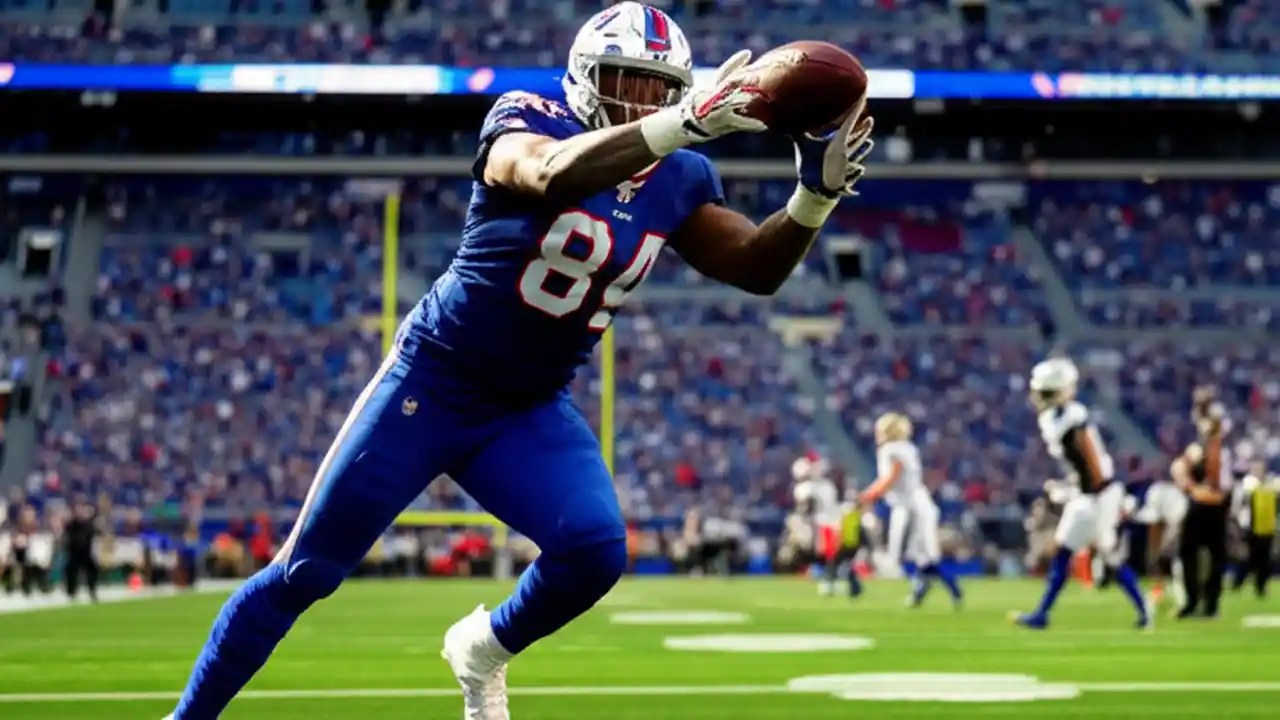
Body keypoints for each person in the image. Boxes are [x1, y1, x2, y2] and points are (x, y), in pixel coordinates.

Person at [164, 4, 876, 719]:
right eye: (626, 81)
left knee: (595, 551)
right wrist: (678, 121)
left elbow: (755, 268)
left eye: (658, 87)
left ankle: (480, 649)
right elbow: (548, 176)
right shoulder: (529, 115)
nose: (641, 101)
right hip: (434, 380)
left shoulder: (680, 174)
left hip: (529, 405)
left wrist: (813, 198)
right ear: (585, 77)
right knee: (305, 571)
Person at [1013, 358, 1150, 630]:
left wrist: (1087, 490)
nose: (1041, 397)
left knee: (1095, 555)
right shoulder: (1058, 417)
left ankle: (1143, 611)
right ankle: (1143, 611)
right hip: (1091, 495)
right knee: (1088, 555)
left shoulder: (1072, 419)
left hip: (1096, 497)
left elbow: (1092, 463)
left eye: (1047, 393)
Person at [861, 412, 962, 608]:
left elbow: (892, 476)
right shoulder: (907, 447)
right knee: (921, 554)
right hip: (918, 503)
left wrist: (870, 494)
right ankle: (927, 588)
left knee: (913, 553)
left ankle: (946, 586)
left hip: (910, 507)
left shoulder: (890, 450)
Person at [1173, 387, 1232, 619]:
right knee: (1193, 551)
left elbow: (1213, 465)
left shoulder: (1214, 422)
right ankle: (1197, 601)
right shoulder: (1199, 427)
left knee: (1210, 552)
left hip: (1212, 497)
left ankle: (1206, 602)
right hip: (1205, 496)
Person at [1230, 461, 1276, 599]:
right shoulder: (1247, 485)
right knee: (1249, 557)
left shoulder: (1270, 483)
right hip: (1250, 526)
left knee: (1264, 559)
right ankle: (1238, 582)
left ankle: (1260, 586)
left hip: (1267, 527)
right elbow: (1239, 506)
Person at [63, 498, 99, 602]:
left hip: (86, 553)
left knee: (92, 570)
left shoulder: (88, 524)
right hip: (74, 553)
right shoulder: (70, 525)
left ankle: (92, 591)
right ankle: (71, 593)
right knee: (70, 571)